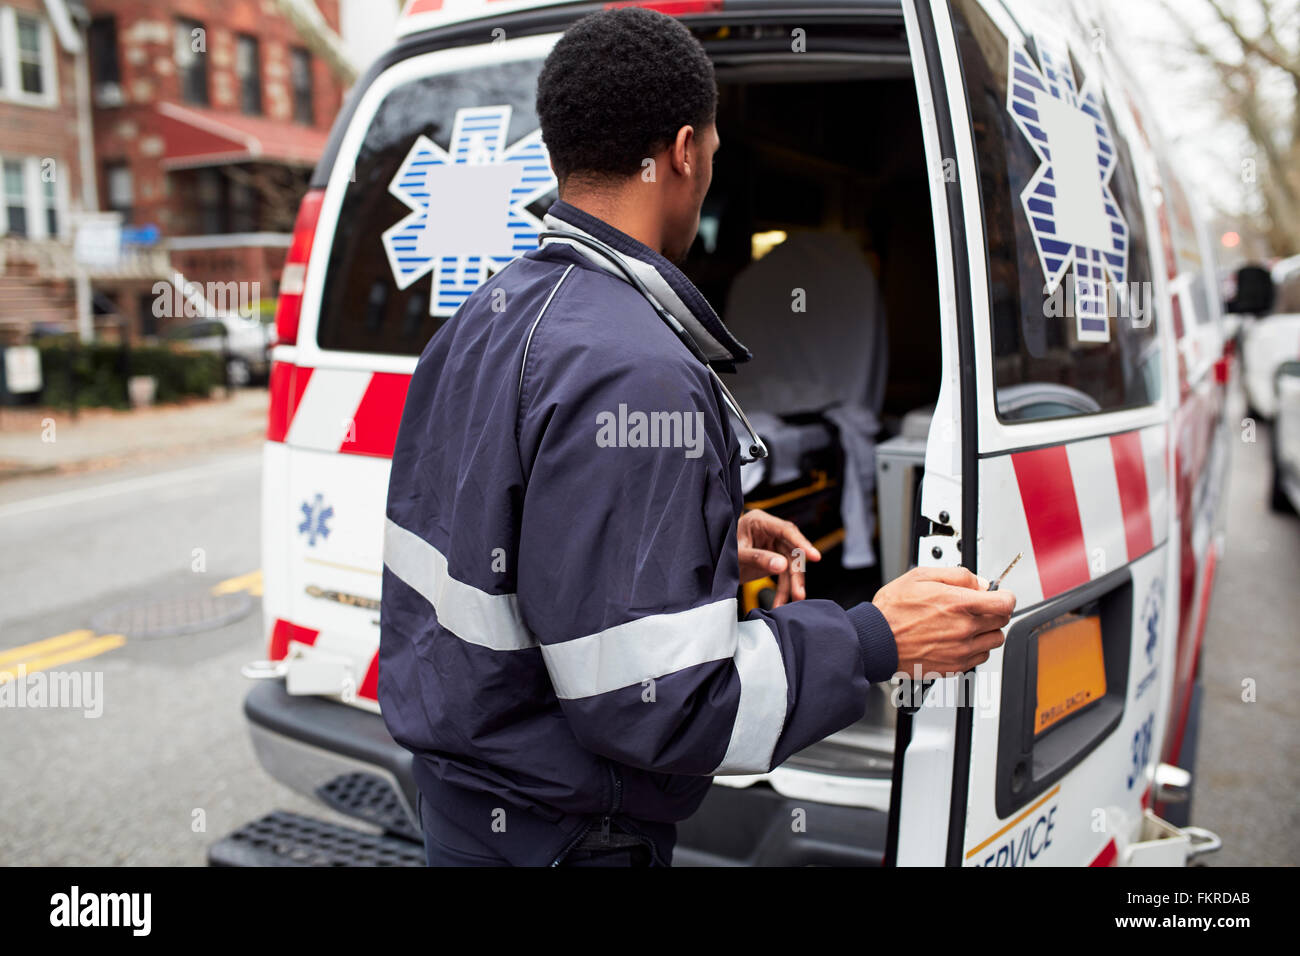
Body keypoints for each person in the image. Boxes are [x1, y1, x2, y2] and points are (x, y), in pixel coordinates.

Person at [378, 6, 1016, 868]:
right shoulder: (634, 366)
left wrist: (703, 529)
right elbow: (663, 704)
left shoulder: (481, 320)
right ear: (684, 150)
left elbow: (518, 543)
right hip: (569, 838)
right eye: (712, 153)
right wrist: (874, 638)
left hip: (465, 809)